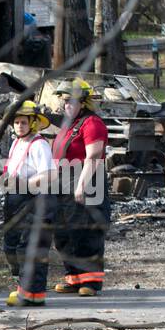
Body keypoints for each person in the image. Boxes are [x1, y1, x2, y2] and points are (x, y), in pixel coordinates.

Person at [50, 79, 110, 296]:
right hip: (64, 180)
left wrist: (81, 186)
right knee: (64, 232)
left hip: (86, 179)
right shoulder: (70, 125)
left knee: (86, 231)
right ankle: (73, 278)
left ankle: (91, 282)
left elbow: (93, 156)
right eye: (64, 101)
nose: (65, 105)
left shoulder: (92, 123)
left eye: (70, 101)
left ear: (83, 102)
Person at [0, 100, 57, 306]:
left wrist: (25, 184)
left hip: (36, 199)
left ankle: (32, 294)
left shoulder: (39, 144)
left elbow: (49, 174)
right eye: (16, 122)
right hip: (16, 198)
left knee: (30, 246)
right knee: (11, 245)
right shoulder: (16, 142)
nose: (19, 126)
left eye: (23, 122)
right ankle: (23, 288)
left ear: (32, 123)